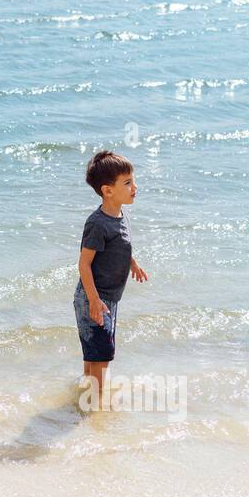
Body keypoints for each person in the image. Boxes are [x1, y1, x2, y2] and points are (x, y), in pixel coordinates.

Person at [75, 150, 148, 408]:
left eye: (133, 181)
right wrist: (94, 301)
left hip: (108, 297)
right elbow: (84, 264)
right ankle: (96, 407)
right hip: (94, 297)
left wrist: (132, 263)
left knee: (95, 351)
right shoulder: (98, 224)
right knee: (101, 355)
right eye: (127, 183)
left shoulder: (119, 215)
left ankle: (86, 397)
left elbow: (120, 245)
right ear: (107, 190)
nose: (134, 187)